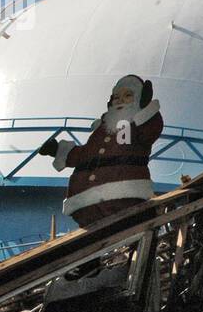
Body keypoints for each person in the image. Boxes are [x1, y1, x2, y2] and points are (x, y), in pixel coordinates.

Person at [38, 74, 164, 226]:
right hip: (84, 203)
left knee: (125, 224)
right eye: (116, 97)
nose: (120, 100)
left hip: (124, 194)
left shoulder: (134, 126)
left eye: (128, 95)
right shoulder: (102, 129)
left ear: (140, 98)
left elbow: (150, 132)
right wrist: (58, 150)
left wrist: (146, 111)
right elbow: (86, 153)